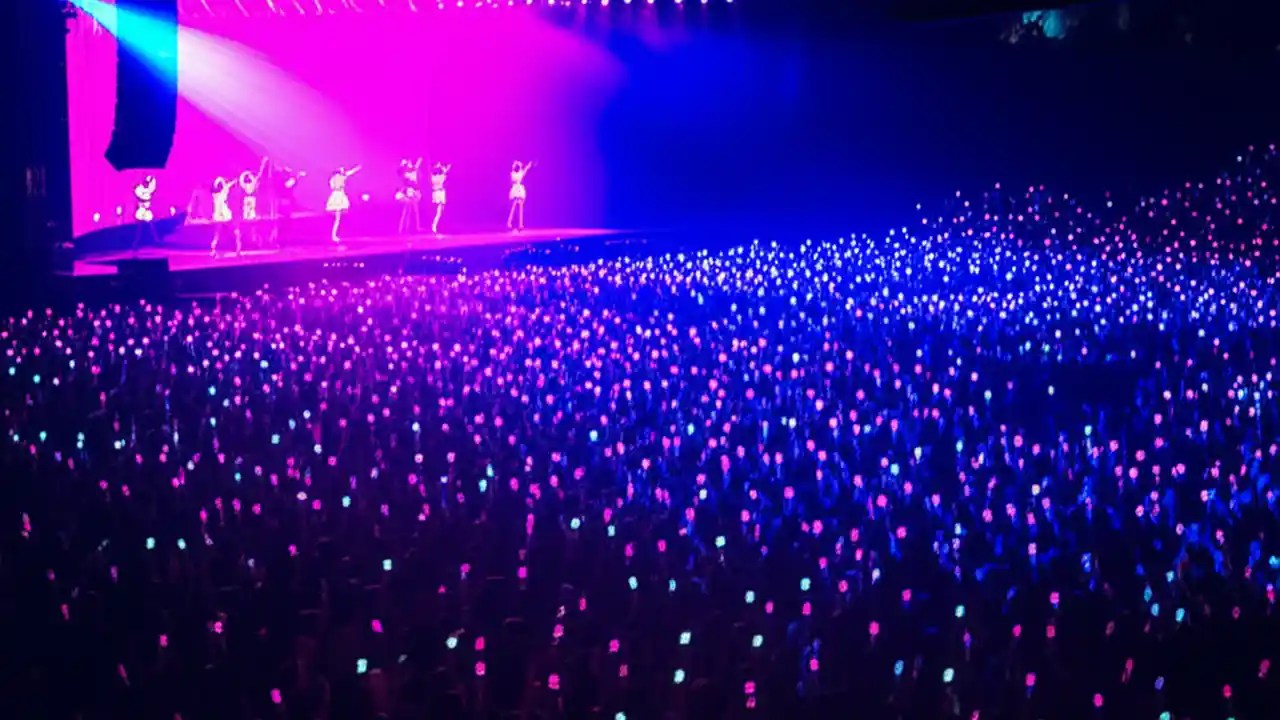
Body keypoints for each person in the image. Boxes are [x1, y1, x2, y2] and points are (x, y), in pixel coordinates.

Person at [238, 157, 270, 250]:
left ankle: (253, 241)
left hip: (251, 203)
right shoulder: (248, 185)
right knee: (249, 224)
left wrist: (263, 164)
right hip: (248, 203)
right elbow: (243, 179)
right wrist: (246, 174)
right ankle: (248, 241)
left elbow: (259, 175)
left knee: (252, 225)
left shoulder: (251, 184)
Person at [326, 165, 362, 244]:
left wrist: (356, 169)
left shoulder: (336, 178)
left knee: (338, 218)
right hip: (338, 196)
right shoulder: (338, 178)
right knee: (337, 218)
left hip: (339, 195)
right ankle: (334, 235)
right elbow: (348, 174)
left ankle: (335, 235)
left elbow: (349, 173)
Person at [396, 158, 424, 236]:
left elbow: (417, 166)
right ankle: (403, 228)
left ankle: (411, 228)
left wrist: (419, 160)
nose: (410, 164)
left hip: (414, 192)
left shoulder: (412, 172)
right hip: (409, 192)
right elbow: (403, 174)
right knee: (407, 210)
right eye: (409, 163)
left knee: (414, 210)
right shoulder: (405, 174)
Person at [209, 175, 235, 256]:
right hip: (224, 216)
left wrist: (219, 181)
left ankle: (213, 249)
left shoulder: (214, 195)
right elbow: (227, 186)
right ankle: (237, 246)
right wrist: (223, 180)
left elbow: (226, 185)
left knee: (217, 234)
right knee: (233, 230)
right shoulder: (222, 194)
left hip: (218, 216)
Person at [132, 175, 159, 249]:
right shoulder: (139, 189)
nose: (146, 184)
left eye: (147, 183)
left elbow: (153, 186)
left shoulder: (149, 189)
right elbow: (136, 193)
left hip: (147, 210)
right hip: (141, 210)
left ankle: (155, 239)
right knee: (139, 227)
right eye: (145, 182)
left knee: (151, 224)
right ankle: (136, 241)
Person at [507, 160, 534, 232]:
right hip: (518, 190)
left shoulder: (513, 174)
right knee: (517, 208)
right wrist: (528, 165)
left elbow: (525, 169)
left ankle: (515, 223)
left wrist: (528, 165)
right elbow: (525, 169)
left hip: (516, 189)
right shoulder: (518, 174)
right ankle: (516, 223)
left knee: (516, 207)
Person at [430, 162, 452, 235]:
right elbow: (446, 170)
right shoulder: (440, 177)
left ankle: (436, 226)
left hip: (438, 193)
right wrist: (441, 166)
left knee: (440, 211)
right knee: (439, 211)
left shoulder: (433, 177)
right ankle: (434, 226)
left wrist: (439, 166)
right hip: (439, 193)